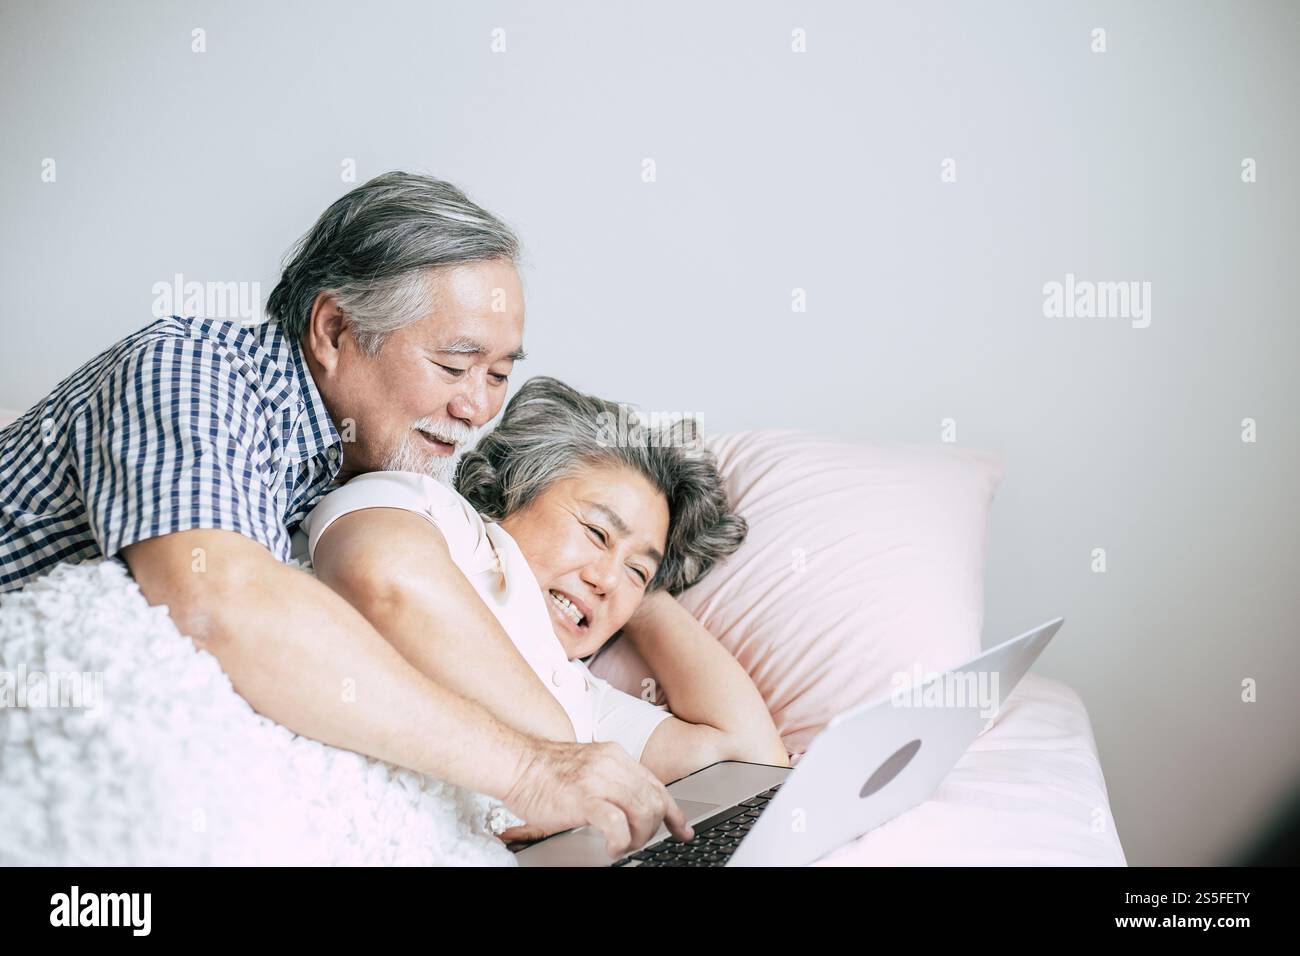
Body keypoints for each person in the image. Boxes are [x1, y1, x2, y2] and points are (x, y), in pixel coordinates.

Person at [0, 171, 697, 858]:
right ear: (333, 329)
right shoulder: (189, 368)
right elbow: (223, 602)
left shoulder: (357, 471)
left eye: (498, 374)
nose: (479, 409)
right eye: (456, 366)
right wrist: (532, 769)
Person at [297, 377, 789, 845]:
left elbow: (751, 764)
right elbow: (386, 576)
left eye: (636, 572)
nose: (608, 580)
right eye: (597, 533)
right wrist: (558, 756)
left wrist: (646, 589)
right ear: (512, 491)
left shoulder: (582, 695)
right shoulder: (438, 516)